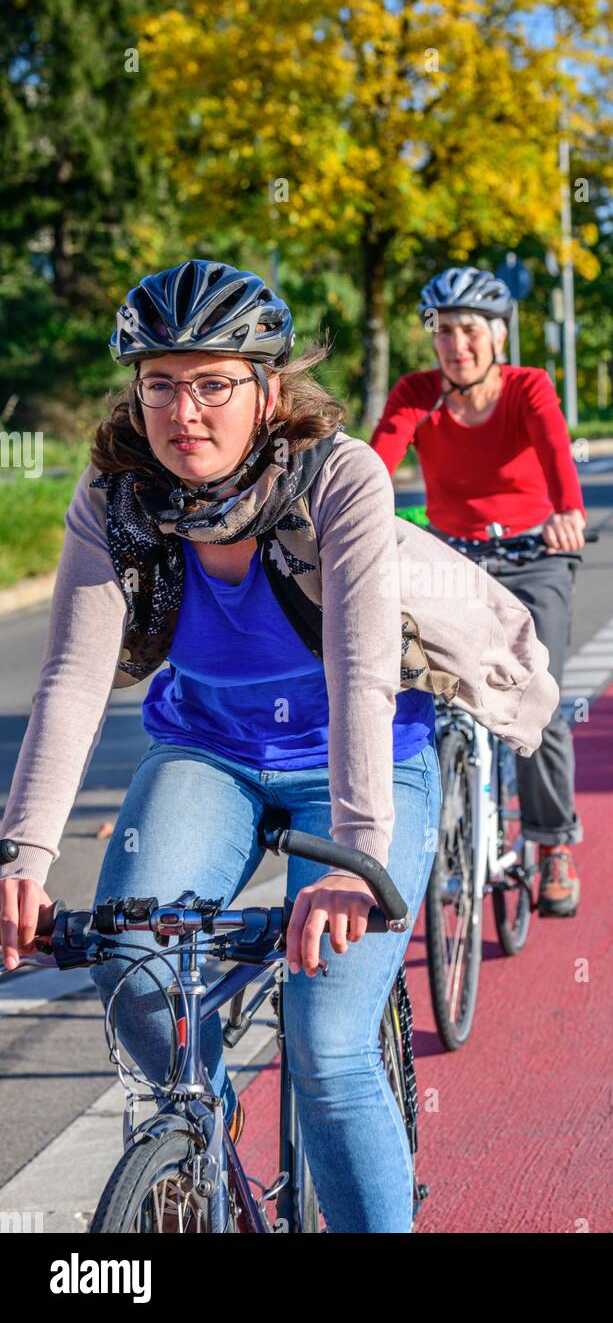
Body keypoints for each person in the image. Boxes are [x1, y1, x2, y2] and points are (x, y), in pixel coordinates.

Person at [0, 258, 446, 1233]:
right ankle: (200, 1118)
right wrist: (21, 857)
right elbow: (72, 678)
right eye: (160, 382)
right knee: (127, 956)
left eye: (212, 382)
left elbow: (363, 671)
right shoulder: (115, 494)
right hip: (208, 755)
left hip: (357, 764)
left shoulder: (339, 479)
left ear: (267, 390)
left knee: (326, 1045)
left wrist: (358, 857)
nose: (182, 409)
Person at [370, 265, 586, 918]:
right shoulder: (417, 392)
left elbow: (556, 455)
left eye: (468, 330)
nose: (455, 344)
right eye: (442, 331)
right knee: (418, 692)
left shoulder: (528, 388)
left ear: (497, 336)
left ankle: (553, 844)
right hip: (453, 561)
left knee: (534, 698)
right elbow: (375, 463)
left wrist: (567, 512)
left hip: (532, 553)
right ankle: (412, 837)